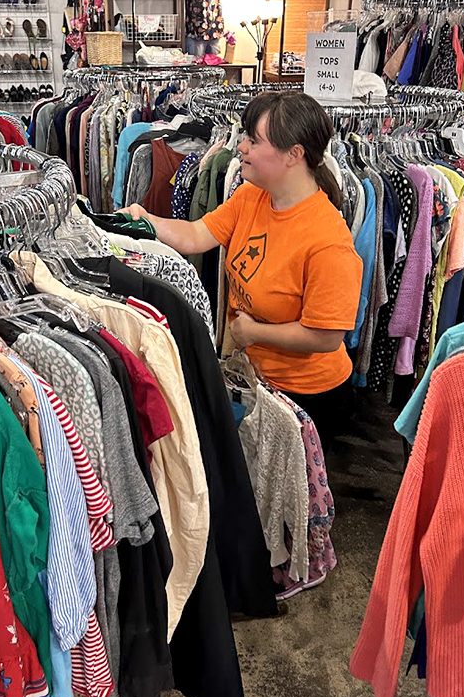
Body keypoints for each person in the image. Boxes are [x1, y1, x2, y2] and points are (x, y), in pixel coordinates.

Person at [122, 91, 363, 452]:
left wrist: (252, 331)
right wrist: (145, 221)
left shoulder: (328, 241)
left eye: (253, 140)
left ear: (294, 155)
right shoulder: (252, 196)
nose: (241, 148)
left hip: (308, 398)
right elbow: (197, 234)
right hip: (255, 381)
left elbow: (326, 337)